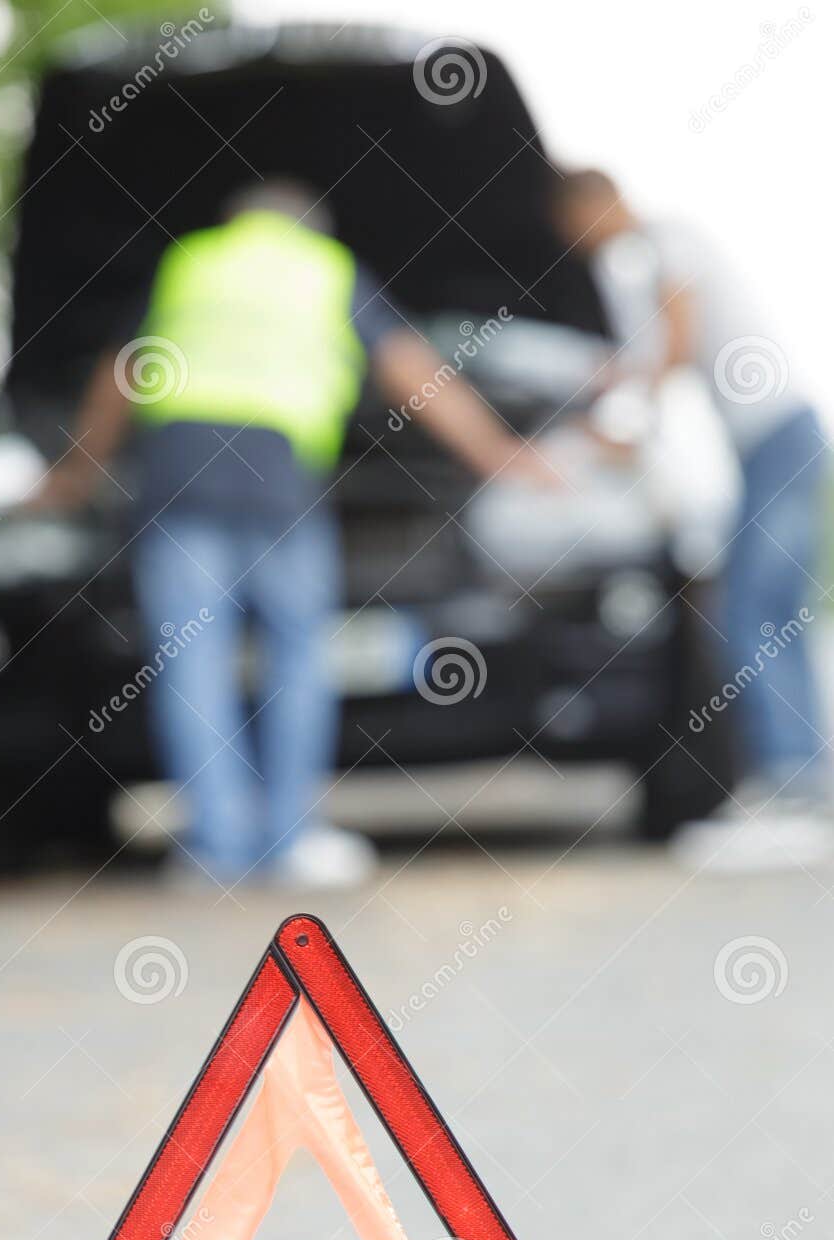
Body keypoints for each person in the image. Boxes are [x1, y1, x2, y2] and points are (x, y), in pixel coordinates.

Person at [38, 180, 554, 888]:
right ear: (309, 226)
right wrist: (498, 453)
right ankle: (291, 842)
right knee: (299, 661)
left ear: (236, 222)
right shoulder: (326, 268)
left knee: (194, 668)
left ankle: (217, 849)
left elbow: (120, 372)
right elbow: (411, 371)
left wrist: (75, 473)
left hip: (180, 486)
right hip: (277, 488)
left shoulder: (193, 262)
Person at [552, 169, 831, 871]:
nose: (579, 247)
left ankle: (793, 790)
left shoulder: (668, 239)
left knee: (747, 612)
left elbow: (676, 339)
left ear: (597, 203)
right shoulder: (651, 256)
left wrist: (623, 395)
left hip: (781, 442)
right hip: (767, 449)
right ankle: (800, 783)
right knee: (763, 608)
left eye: (575, 229)